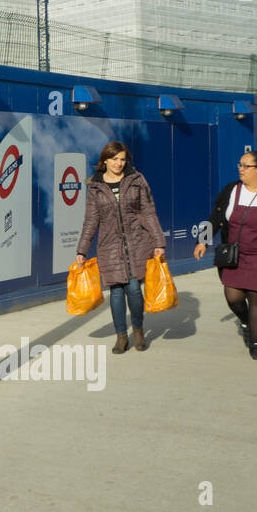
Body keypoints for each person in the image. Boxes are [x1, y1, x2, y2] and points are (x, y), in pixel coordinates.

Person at [193, 149, 257, 361]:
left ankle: (255, 343)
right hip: (234, 252)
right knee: (233, 297)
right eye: (239, 165)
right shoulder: (231, 190)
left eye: (246, 166)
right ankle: (246, 320)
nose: (241, 169)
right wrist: (202, 240)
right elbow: (216, 217)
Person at [76, 141, 168, 354]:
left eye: (122, 159)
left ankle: (138, 330)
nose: (119, 163)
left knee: (134, 289)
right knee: (116, 292)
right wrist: (82, 249)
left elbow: (148, 211)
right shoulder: (95, 187)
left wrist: (158, 242)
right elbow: (91, 220)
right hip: (109, 246)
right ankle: (121, 337)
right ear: (105, 161)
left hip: (137, 242)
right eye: (114, 159)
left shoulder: (136, 180)